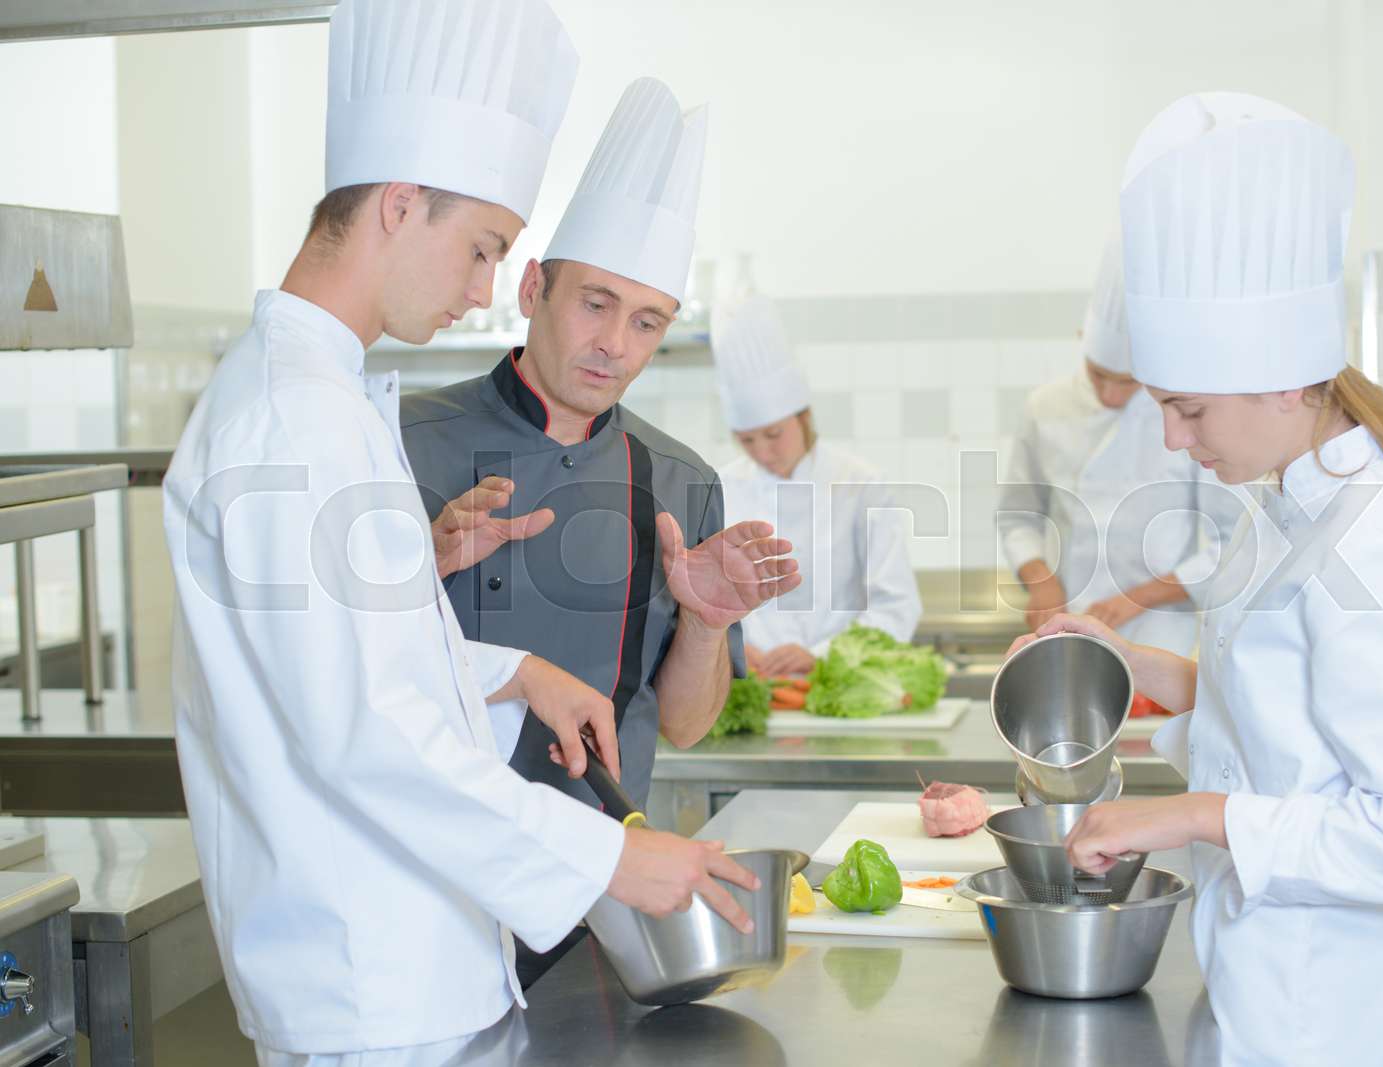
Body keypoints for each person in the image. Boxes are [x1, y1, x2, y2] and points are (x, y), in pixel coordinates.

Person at [162, 3, 757, 1062]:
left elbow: (352, 656)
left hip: (407, 965)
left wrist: (512, 667)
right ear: (400, 205)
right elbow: (365, 728)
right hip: (372, 981)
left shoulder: (312, 395)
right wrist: (608, 861)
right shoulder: (299, 416)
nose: (483, 288)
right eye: (483, 248)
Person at [1014, 92, 1383, 1066]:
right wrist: (1127, 658)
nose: (1172, 440)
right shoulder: (1284, 503)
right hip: (1257, 973)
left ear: (1284, 385)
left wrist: (1190, 812)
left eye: (1187, 409)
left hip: (1330, 1007)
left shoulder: (1371, 541)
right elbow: (1279, 709)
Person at [400, 79, 798, 984]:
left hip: (599, 899)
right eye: (594, 302)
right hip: (430, 889)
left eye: (646, 320)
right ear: (534, 286)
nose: (614, 342)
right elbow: (346, 675)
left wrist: (703, 619)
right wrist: (419, 560)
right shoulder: (400, 438)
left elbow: (689, 725)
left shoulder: (682, 481)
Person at [1000, 237, 1243, 653]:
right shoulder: (1046, 407)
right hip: (1068, 626)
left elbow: (1232, 538)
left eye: (1128, 382)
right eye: (1098, 375)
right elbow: (1017, 517)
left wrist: (1135, 599)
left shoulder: (1183, 413)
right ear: (1082, 341)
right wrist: (1041, 583)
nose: (1111, 395)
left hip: (1164, 630)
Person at [711, 293, 921, 677]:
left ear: (804, 417)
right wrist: (734, 648)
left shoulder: (860, 485)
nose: (762, 451)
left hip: (842, 681)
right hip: (748, 685)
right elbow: (705, 604)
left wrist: (823, 655)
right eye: (747, 440)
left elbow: (897, 605)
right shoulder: (721, 488)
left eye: (773, 434)